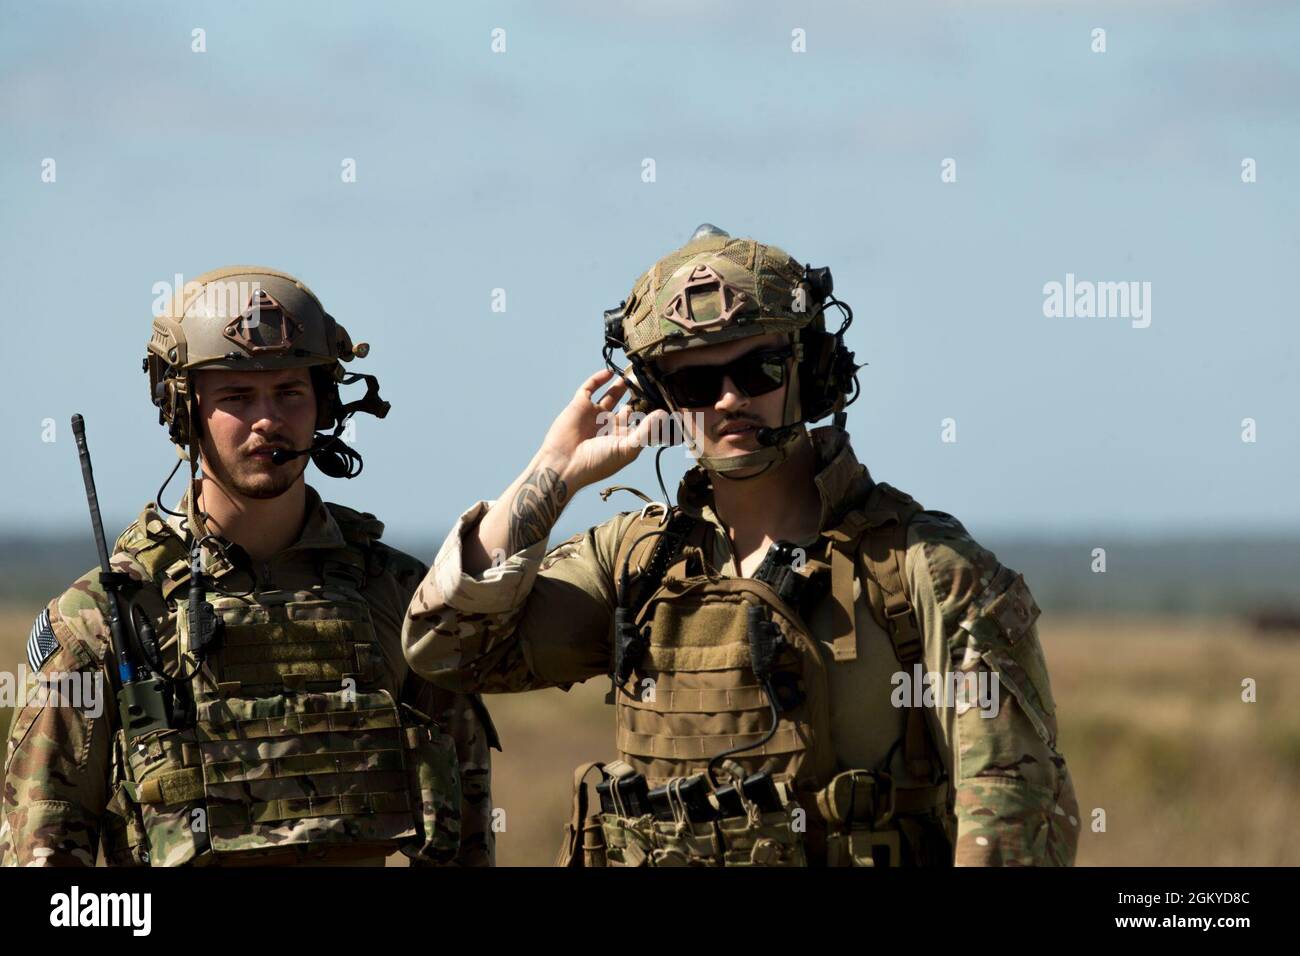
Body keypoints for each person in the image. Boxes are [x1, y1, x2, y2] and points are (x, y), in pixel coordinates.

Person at [403, 226, 1079, 866]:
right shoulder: (634, 563)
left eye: (759, 370)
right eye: (695, 384)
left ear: (809, 368)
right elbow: (444, 649)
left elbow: (1014, 805)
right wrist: (553, 473)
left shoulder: (923, 567)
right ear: (659, 399)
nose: (728, 400)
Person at [1, 266, 497, 867]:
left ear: (324, 404)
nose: (268, 419)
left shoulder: (399, 595)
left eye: (290, 392)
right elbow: (45, 844)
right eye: (236, 396)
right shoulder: (108, 615)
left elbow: (467, 827)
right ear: (182, 410)